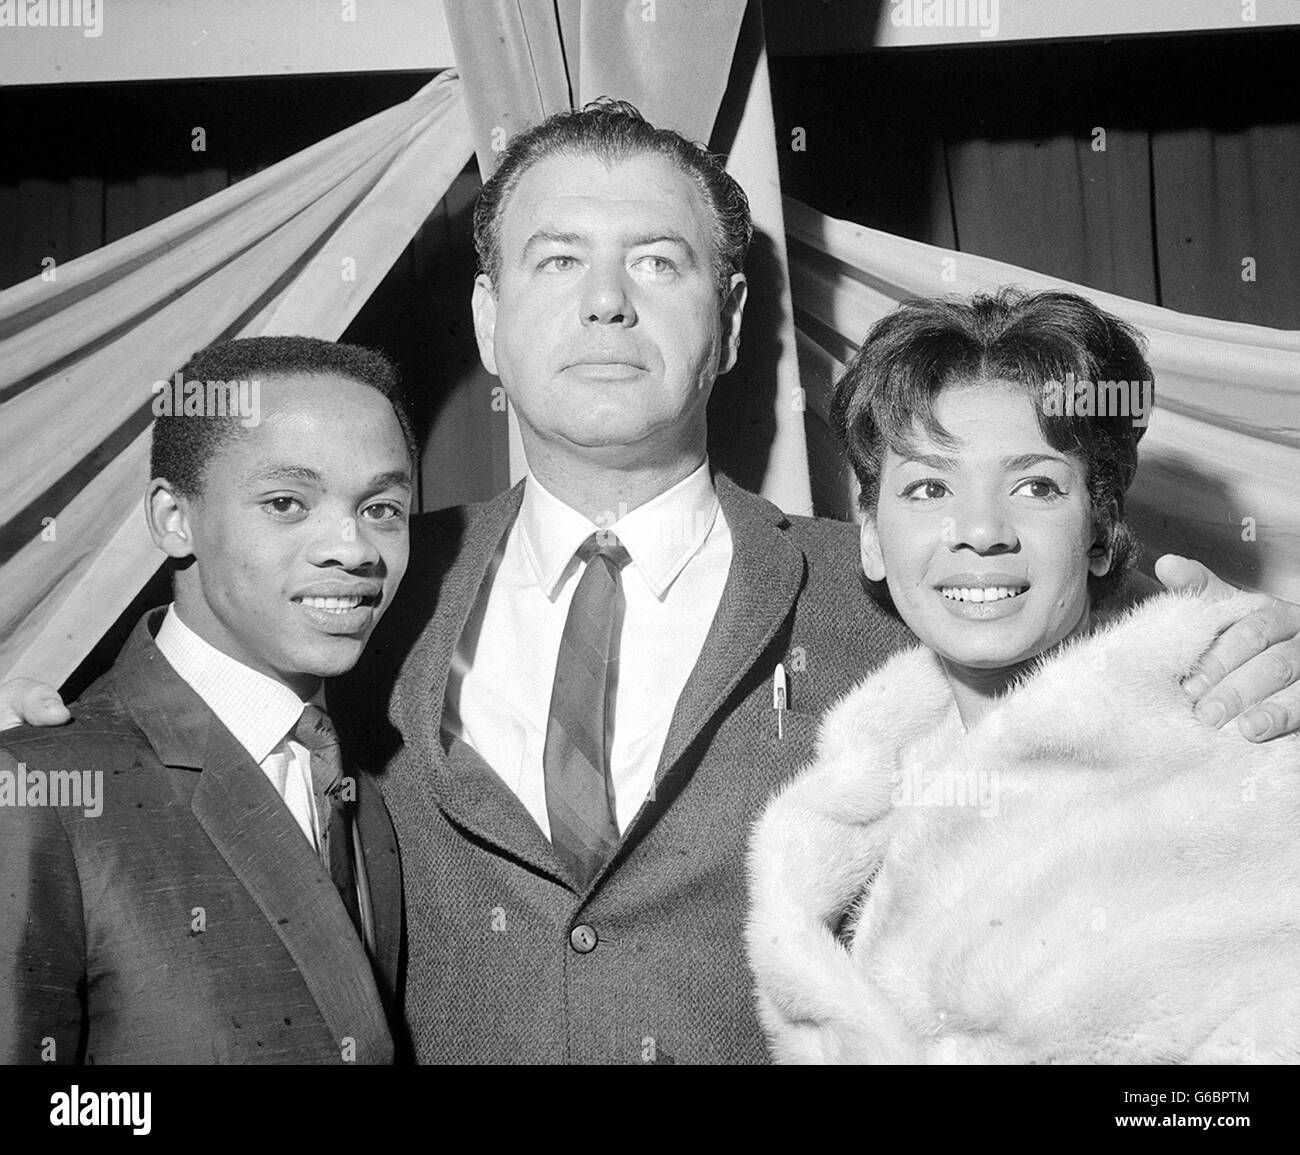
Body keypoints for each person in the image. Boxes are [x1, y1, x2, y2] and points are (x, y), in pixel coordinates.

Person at [4, 104, 1300, 1065]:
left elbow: (1139, 771)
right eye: (559, 259)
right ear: (487, 321)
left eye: (658, 262)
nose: (609, 304)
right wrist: (38, 741)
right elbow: (170, 743)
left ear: (728, 326)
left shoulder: (907, 596)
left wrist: (1271, 679)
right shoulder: (361, 590)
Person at [746, 289, 1300, 1064]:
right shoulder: (858, 787)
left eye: (1036, 485)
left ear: (1100, 531)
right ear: (870, 536)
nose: (980, 531)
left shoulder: (1235, 752)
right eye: (929, 487)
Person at [0, 336, 414, 1064]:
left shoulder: (365, 788)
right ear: (173, 518)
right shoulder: (40, 789)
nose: (352, 548)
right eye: (286, 503)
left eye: (382, 507)